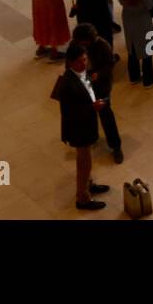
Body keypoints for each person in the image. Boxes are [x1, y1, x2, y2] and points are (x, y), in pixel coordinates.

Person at [50, 44, 111, 210]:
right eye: (79, 61)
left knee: (86, 160)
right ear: (70, 63)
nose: (83, 64)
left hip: (85, 125)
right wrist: (93, 107)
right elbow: (70, 111)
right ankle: (83, 198)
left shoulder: (80, 74)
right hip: (78, 128)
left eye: (85, 60)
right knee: (84, 163)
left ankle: (89, 184)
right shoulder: (68, 84)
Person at [70, 24, 123, 164]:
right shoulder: (75, 45)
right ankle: (91, 138)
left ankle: (116, 146)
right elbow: (69, 63)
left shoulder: (102, 45)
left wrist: (98, 74)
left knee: (106, 115)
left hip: (101, 86)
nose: (81, 44)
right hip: (83, 85)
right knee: (87, 115)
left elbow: (110, 63)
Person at [117, 0, 153, 88]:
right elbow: (150, 5)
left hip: (128, 19)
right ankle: (148, 80)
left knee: (131, 48)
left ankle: (133, 76)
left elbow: (119, 0)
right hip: (143, 20)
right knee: (148, 50)